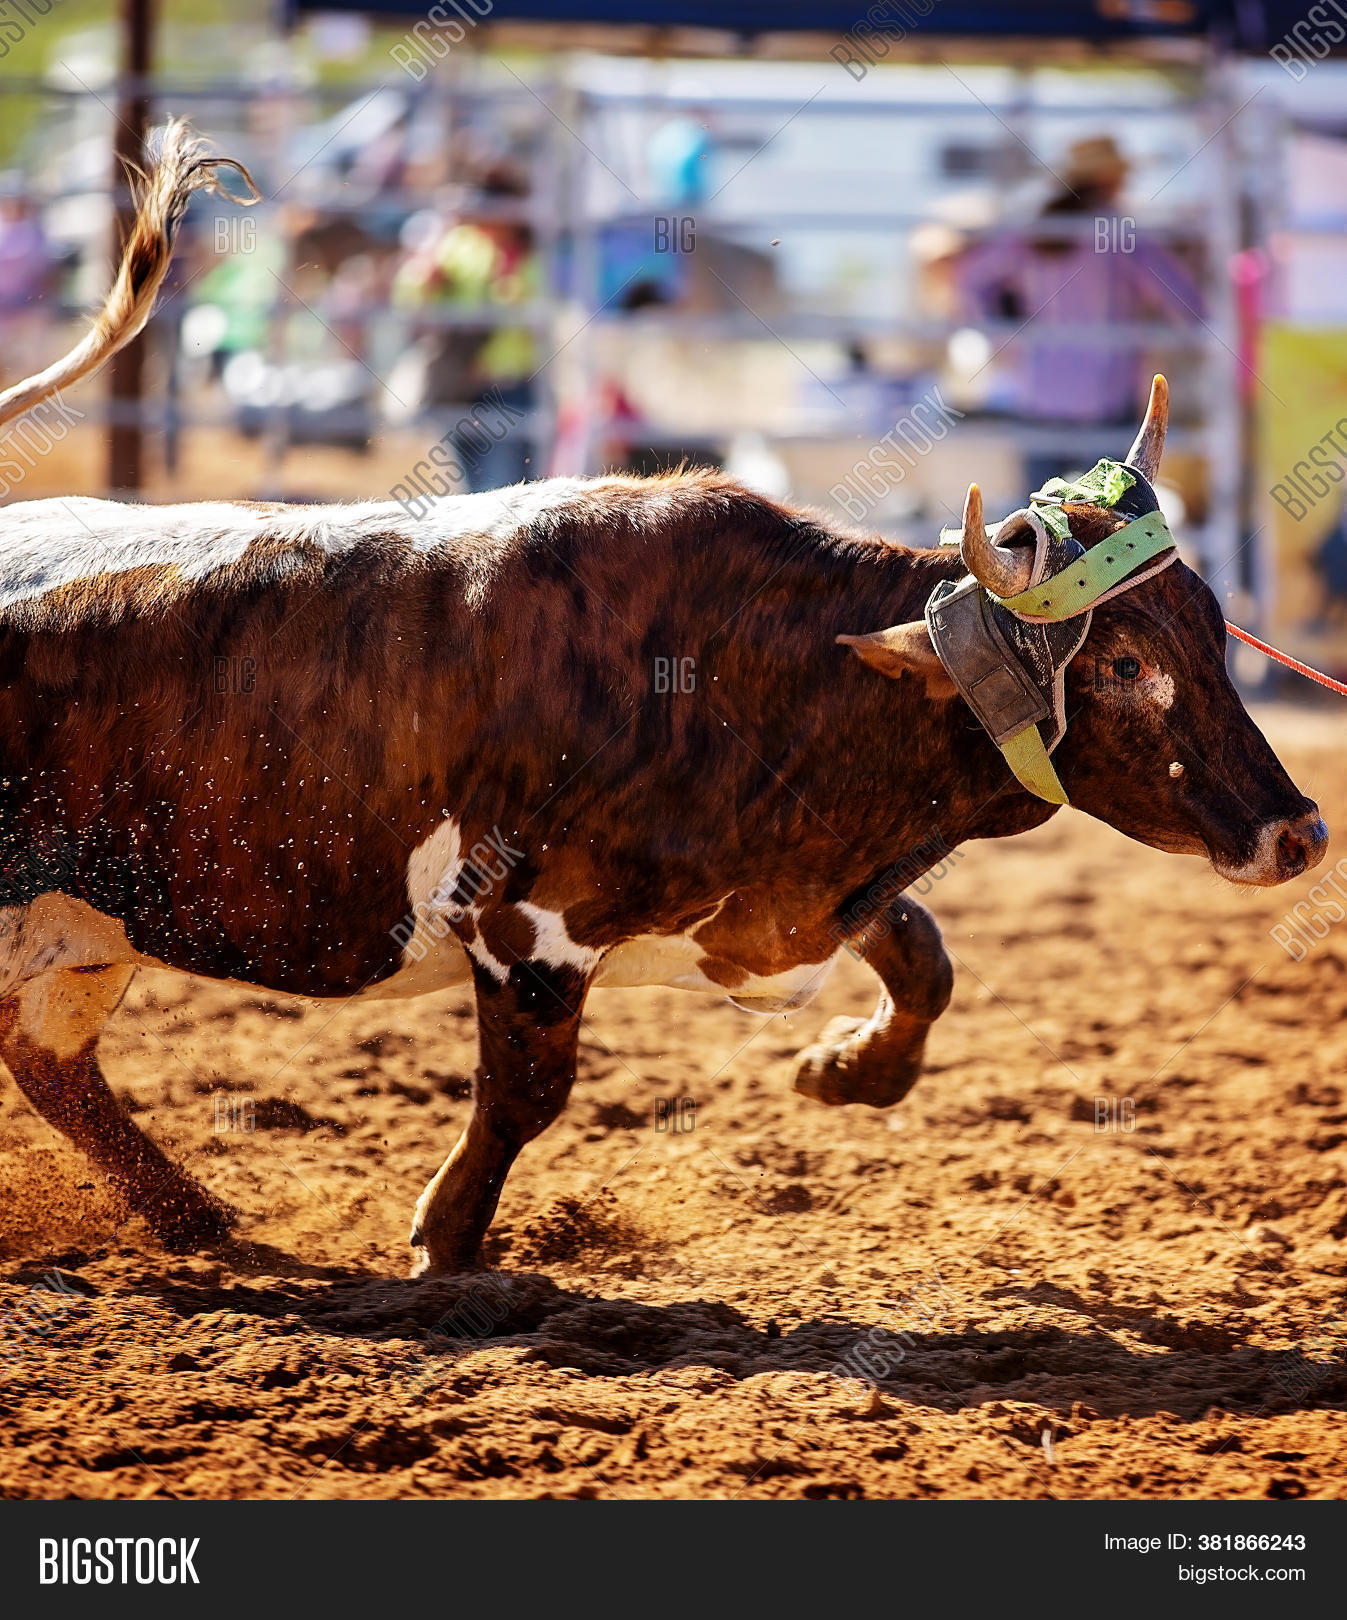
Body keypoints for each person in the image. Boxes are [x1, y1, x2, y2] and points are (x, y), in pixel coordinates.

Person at [954, 135, 1203, 492]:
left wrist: (1006, 338)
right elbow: (1184, 302)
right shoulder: (1119, 232)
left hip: (1038, 395)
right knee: (1105, 512)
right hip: (1104, 400)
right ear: (1107, 178)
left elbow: (972, 279)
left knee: (1037, 511)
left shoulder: (1039, 230)